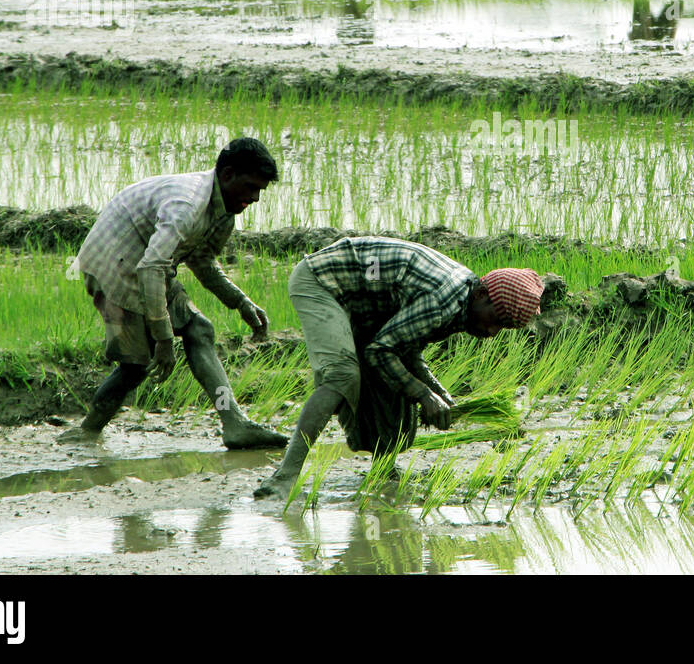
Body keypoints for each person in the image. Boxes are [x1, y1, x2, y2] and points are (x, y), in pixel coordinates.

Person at [254, 237, 545, 500]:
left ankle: (383, 469)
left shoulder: (463, 300)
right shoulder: (442, 302)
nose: (493, 331)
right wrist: (424, 395)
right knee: (342, 375)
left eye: (503, 328)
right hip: (324, 283)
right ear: (482, 295)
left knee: (398, 374)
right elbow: (380, 351)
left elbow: (407, 350)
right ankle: (285, 477)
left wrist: (437, 393)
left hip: (366, 301)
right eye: (495, 319)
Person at [59, 138, 288, 449]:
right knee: (136, 364)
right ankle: (87, 432)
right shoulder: (187, 205)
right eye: (250, 186)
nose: (256, 197)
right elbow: (150, 268)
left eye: (260, 190)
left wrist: (240, 302)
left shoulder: (224, 211)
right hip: (112, 264)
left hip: (148, 261)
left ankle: (234, 423)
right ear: (228, 175)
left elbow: (202, 260)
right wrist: (164, 339)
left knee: (199, 329)